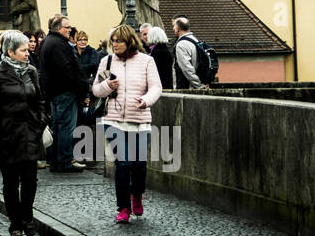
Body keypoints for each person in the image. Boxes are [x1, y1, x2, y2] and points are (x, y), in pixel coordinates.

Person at [0, 30, 47, 236]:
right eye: (23, 50)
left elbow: (39, 100)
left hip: (30, 133)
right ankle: (15, 224)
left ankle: (27, 215)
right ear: (10, 51)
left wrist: (41, 120)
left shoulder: (31, 72)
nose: (28, 53)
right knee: (10, 182)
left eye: (28, 49)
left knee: (30, 179)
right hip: (6, 135)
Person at [91, 24, 162, 223]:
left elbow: (156, 87)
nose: (115, 45)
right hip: (113, 120)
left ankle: (137, 195)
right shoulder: (106, 62)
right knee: (122, 163)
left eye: (119, 41)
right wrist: (106, 86)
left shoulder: (146, 61)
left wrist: (146, 100)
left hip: (139, 120)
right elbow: (96, 89)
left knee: (138, 165)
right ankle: (123, 208)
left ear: (129, 42)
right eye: (113, 41)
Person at [39, 13, 87, 173]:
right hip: (64, 92)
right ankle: (65, 160)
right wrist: (80, 88)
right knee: (66, 127)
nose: (70, 30)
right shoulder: (59, 44)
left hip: (55, 92)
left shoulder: (49, 41)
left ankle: (56, 160)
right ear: (59, 28)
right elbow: (66, 71)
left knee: (59, 126)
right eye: (68, 27)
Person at [171, 17, 206, 89]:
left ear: (178, 29)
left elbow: (186, 68)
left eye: (174, 26)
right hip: (199, 81)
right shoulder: (195, 40)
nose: (173, 28)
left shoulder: (181, 45)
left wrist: (199, 86)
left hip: (187, 87)